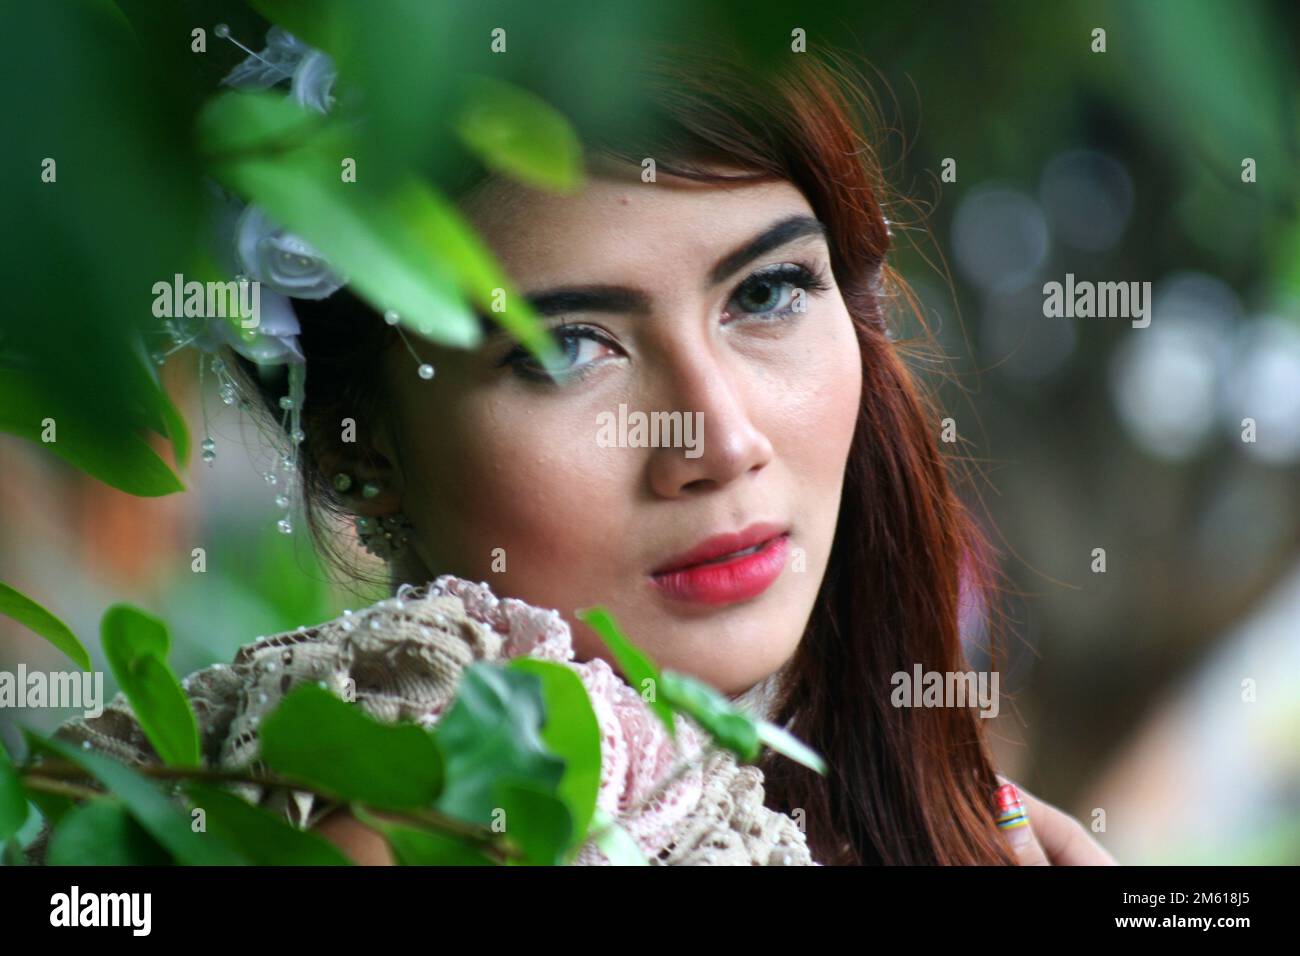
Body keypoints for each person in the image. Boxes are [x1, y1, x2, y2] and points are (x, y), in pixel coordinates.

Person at [34, 42, 1116, 866]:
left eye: (769, 291)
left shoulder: (816, 805)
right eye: (565, 349)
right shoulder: (409, 792)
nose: (718, 440)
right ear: (352, 449)